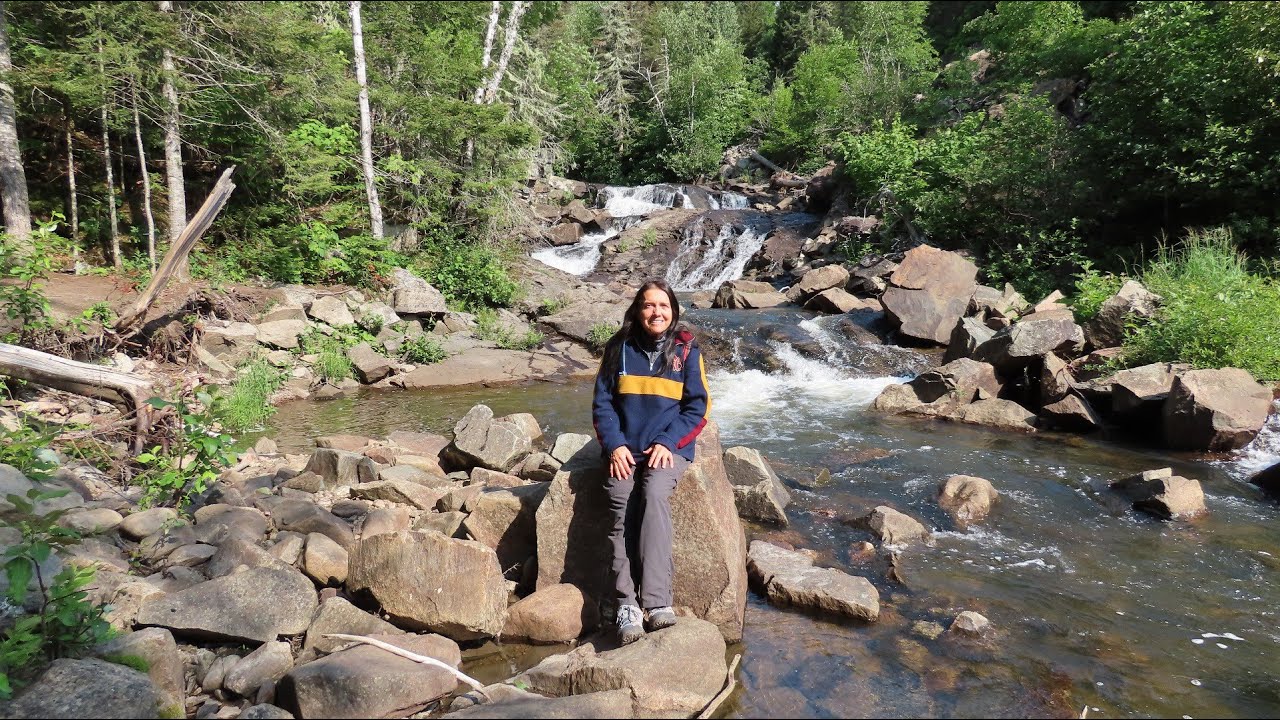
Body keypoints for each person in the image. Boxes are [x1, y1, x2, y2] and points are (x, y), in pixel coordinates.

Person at [592, 279, 711, 645]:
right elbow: (602, 405)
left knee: (654, 495)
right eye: (648, 305)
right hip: (626, 448)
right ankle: (627, 603)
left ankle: (658, 602)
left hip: (667, 448)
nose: (656, 312)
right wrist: (614, 445)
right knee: (619, 499)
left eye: (663, 306)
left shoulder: (687, 352)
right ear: (637, 311)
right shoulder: (619, 349)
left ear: (673, 311)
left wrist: (667, 442)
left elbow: (697, 408)